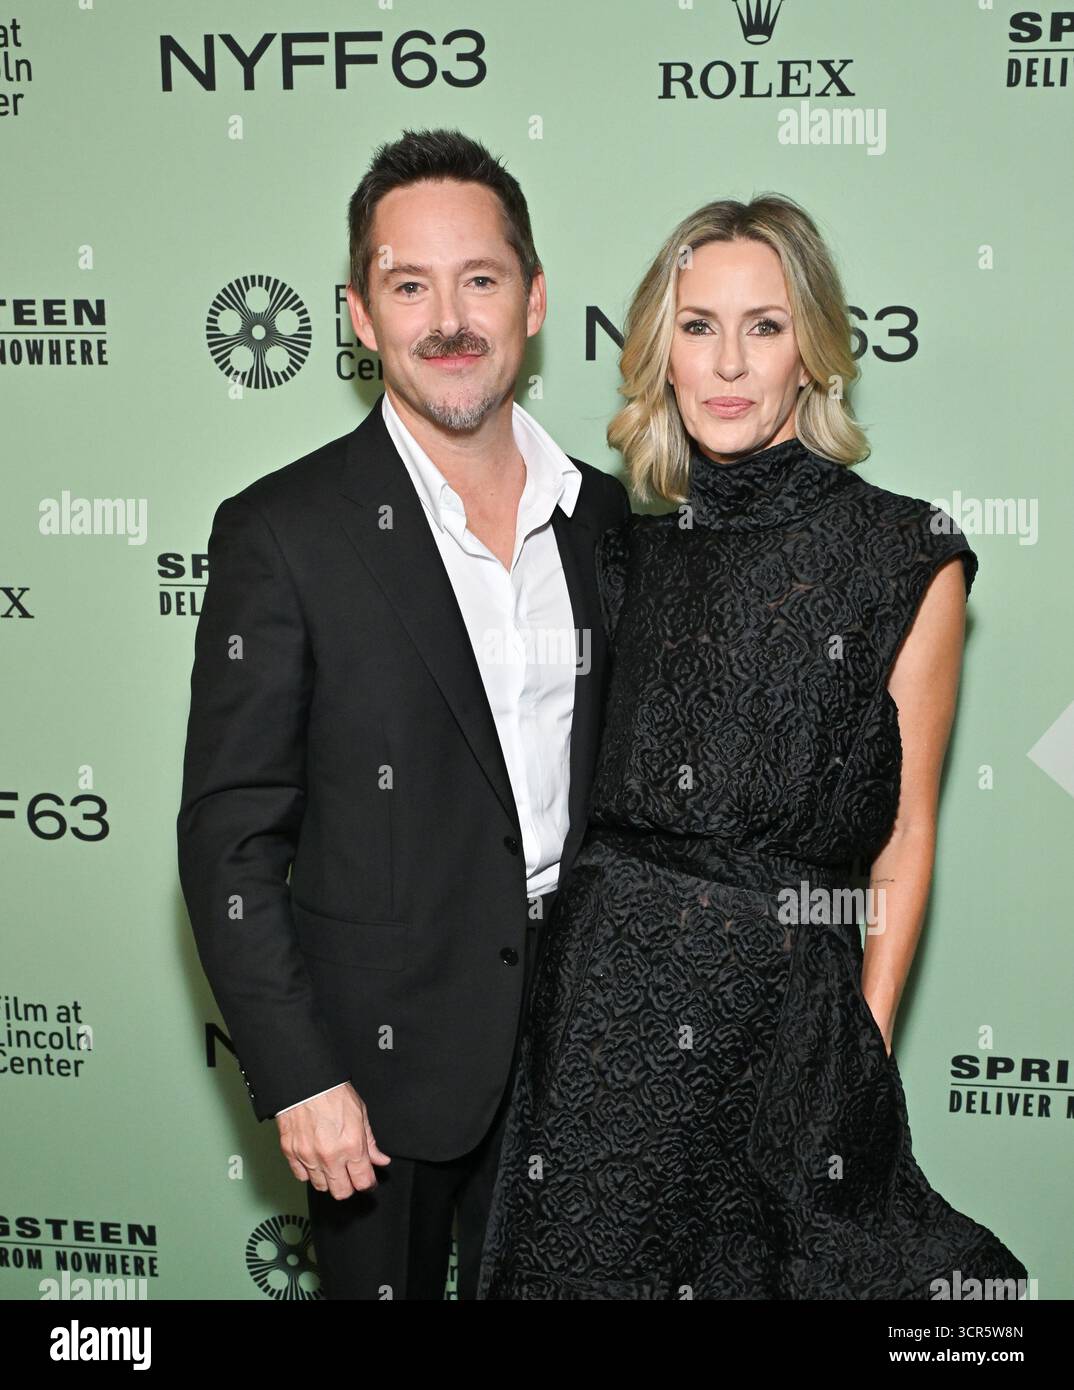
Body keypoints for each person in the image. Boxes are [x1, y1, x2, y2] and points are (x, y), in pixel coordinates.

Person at [477, 193, 1029, 1299]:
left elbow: (907, 833)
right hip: (599, 1024)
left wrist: (862, 1048)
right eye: (698, 326)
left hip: (782, 1029)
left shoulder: (903, 550)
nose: (728, 362)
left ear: (812, 351)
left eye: (765, 326)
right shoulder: (626, 552)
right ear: (662, 352)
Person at [176, 127, 630, 1300]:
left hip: (583, 1047)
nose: (450, 321)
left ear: (534, 300)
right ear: (360, 316)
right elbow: (229, 835)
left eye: (480, 279)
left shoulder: (606, 521)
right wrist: (299, 1072)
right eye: (409, 285)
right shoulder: (283, 532)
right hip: (374, 1071)